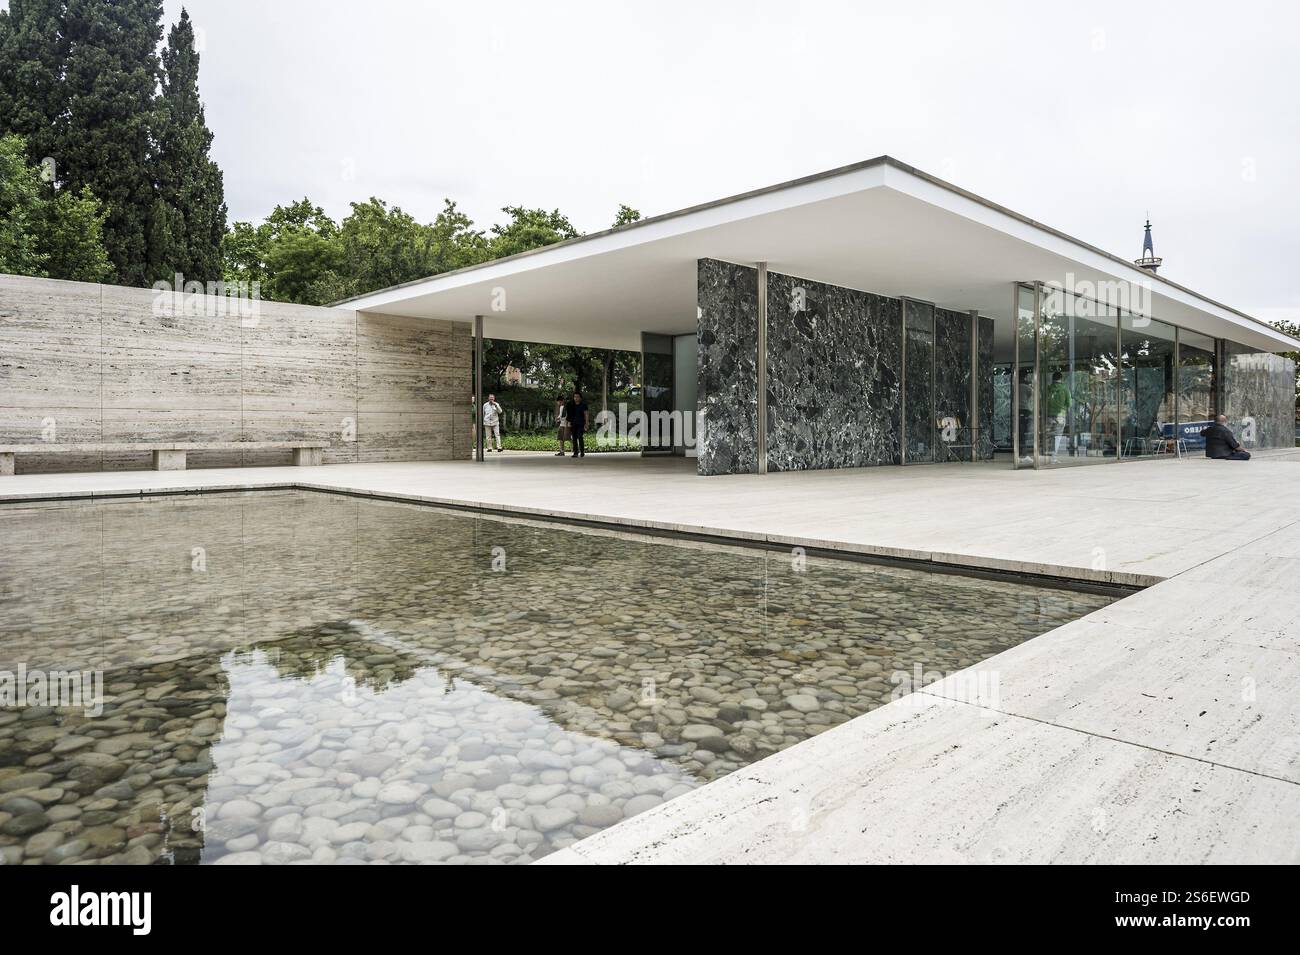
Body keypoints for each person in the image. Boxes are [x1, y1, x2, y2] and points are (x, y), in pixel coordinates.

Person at [564, 390, 588, 458]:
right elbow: (568, 414)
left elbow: (586, 414)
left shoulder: (583, 405)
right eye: (575, 397)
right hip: (573, 423)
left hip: (581, 423)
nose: (576, 398)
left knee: (580, 436)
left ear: (580, 398)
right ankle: (575, 453)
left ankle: (582, 451)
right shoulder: (571, 405)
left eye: (577, 397)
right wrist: (567, 423)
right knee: (574, 438)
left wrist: (586, 423)